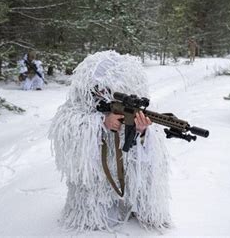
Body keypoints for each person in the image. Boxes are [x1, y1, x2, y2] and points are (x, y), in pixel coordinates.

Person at [48, 51, 171, 232]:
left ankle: (136, 206)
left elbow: (150, 151)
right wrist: (101, 124)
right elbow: (66, 134)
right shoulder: (76, 106)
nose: (104, 93)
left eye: (109, 89)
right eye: (100, 88)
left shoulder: (134, 104)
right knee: (96, 218)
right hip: (96, 186)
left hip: (125, 175)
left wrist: (141, 131)